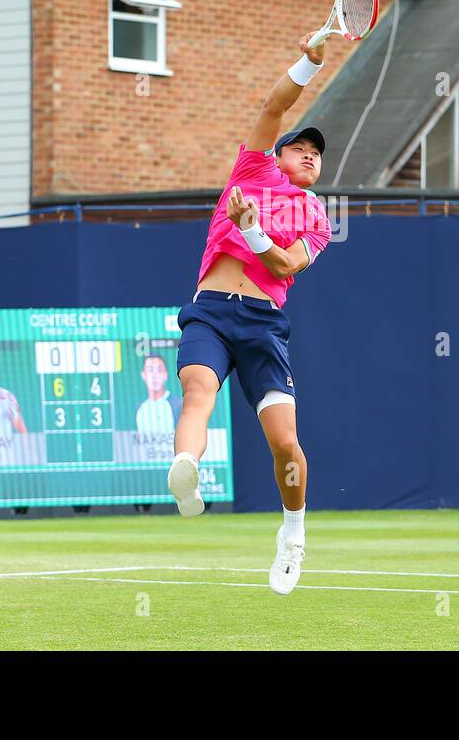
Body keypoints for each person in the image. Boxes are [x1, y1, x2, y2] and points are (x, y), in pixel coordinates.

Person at [167, 31, 333, 595]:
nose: (311, 153)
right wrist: (307, 62)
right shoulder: (251, 173)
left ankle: (292, 536)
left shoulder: (316, 216)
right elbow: (274, 105)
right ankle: (186, 473)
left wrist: (251, 229)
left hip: (263, 324)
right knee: (197, 391)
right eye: (300, 146)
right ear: (276, 155)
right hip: (211, 311)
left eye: (318, 152)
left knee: (284, 444)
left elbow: (285, 267)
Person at [135, 354, 182, 435]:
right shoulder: (139, 408)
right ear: (143, 375)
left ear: (165, 375)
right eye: (150, 370)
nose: (154, 376)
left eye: (159, 370)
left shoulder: (178, 405)